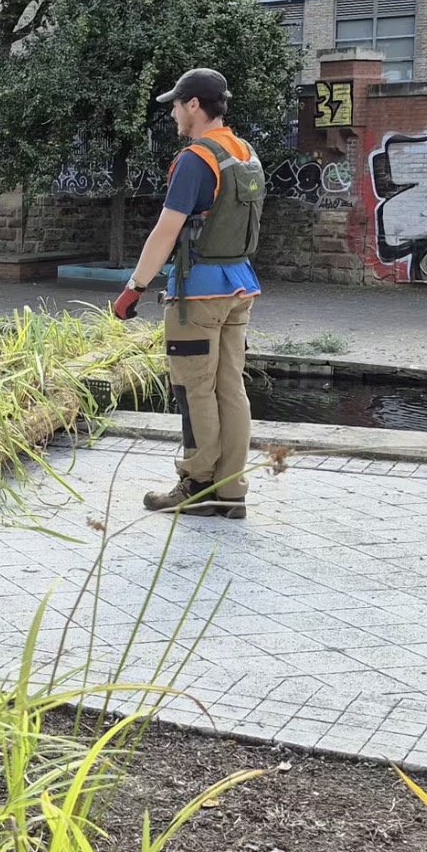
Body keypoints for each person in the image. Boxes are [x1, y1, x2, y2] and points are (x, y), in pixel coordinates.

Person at [113, 68, 265, 520]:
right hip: (240, 285)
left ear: (194, 105)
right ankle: (231, 489)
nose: (174, 113)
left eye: (177, 105)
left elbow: (166, 231)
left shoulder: (196, 159)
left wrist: (133, 287)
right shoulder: (244, 153)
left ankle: (197, 484)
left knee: (192, 389)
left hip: (197, 294)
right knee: (230, 388)